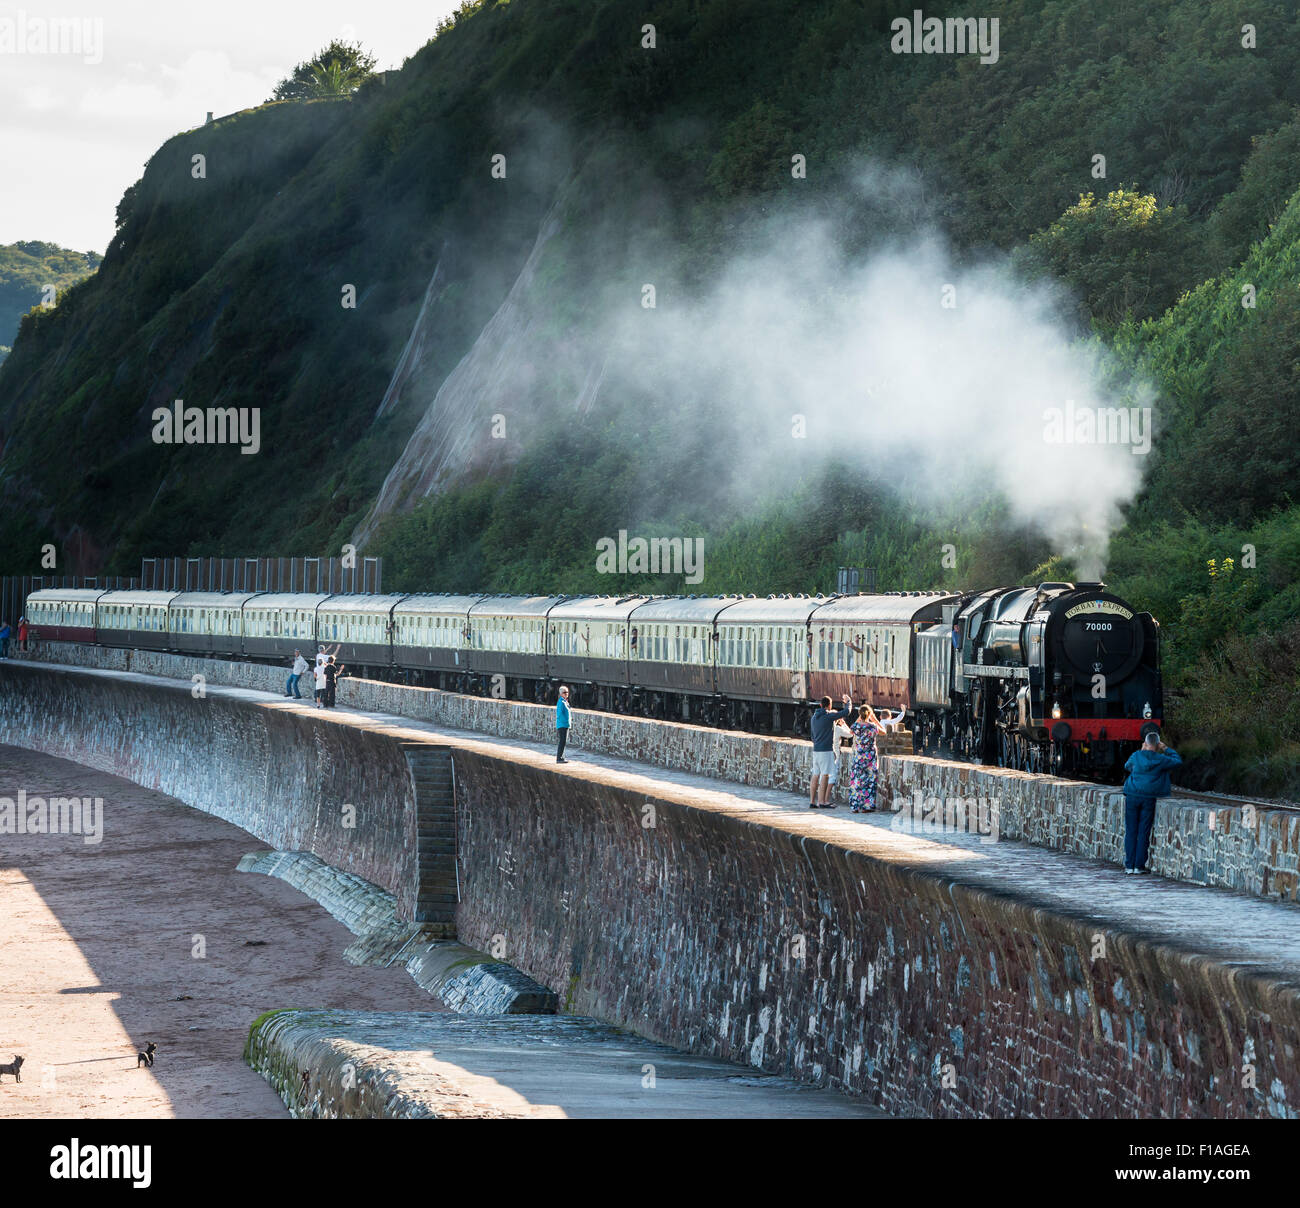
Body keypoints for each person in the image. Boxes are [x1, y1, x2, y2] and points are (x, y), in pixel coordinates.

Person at [1121, 731, 1182, 874]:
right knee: (1143, 831)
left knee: (1131, 831)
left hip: (1132, 795)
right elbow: (1177, 760)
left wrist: (1141, 751)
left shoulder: (1136, 755)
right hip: (1149, 797)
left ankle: (1129, 866)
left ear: (1146, 743)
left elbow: (1127, 766)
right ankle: (1139, 866)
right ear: (1157, 744)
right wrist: (1165, 748)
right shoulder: (1161, 759)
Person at [809, 694, 852, 808]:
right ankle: (822, 802)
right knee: (825, 775)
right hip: (826, 750)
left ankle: (812, 801)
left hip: (816, 750)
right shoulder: (828, 716)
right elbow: (846, 712)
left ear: (820, 705)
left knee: (815, 775)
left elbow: (812, 736)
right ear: (829, 705)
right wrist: (848, 702)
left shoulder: (813, 718)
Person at [848, 704, 883, 813]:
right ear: (870, 714)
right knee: (870, 779)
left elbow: (850, 731)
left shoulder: (856, 726)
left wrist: (860, 718)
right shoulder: (872, 726)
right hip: (870, 756)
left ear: (860, 714)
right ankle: (867, 806)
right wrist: (874, 719)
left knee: (857, 779)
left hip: (859, 756)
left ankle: (855, 805)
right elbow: (884, 731)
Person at [556, 685, 571, 763]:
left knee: (563, 741)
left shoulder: (564, 701)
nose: (566, 694)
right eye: (565, 692)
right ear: (561, 693)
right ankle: (559, 758)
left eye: (567, 692)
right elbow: (559, 714)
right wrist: (564, 721)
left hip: (565, 724)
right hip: (563, 725)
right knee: (562, 741)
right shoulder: (561, 702)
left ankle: (561, 757)